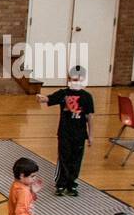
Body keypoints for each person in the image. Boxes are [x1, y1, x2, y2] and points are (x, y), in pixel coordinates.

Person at [36, 68, 94, 196]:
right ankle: (61, 184)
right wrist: (41, 98)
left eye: (78, 79)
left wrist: (90, 135)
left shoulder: (87, 97)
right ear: (69, 79)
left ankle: (71, 183)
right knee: (64, 158)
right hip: (65, 133)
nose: (76, 81)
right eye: (73, 79)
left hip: (79, 135)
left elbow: (89, 116)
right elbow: (49, 99)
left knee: (76, 159)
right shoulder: (63, 93)